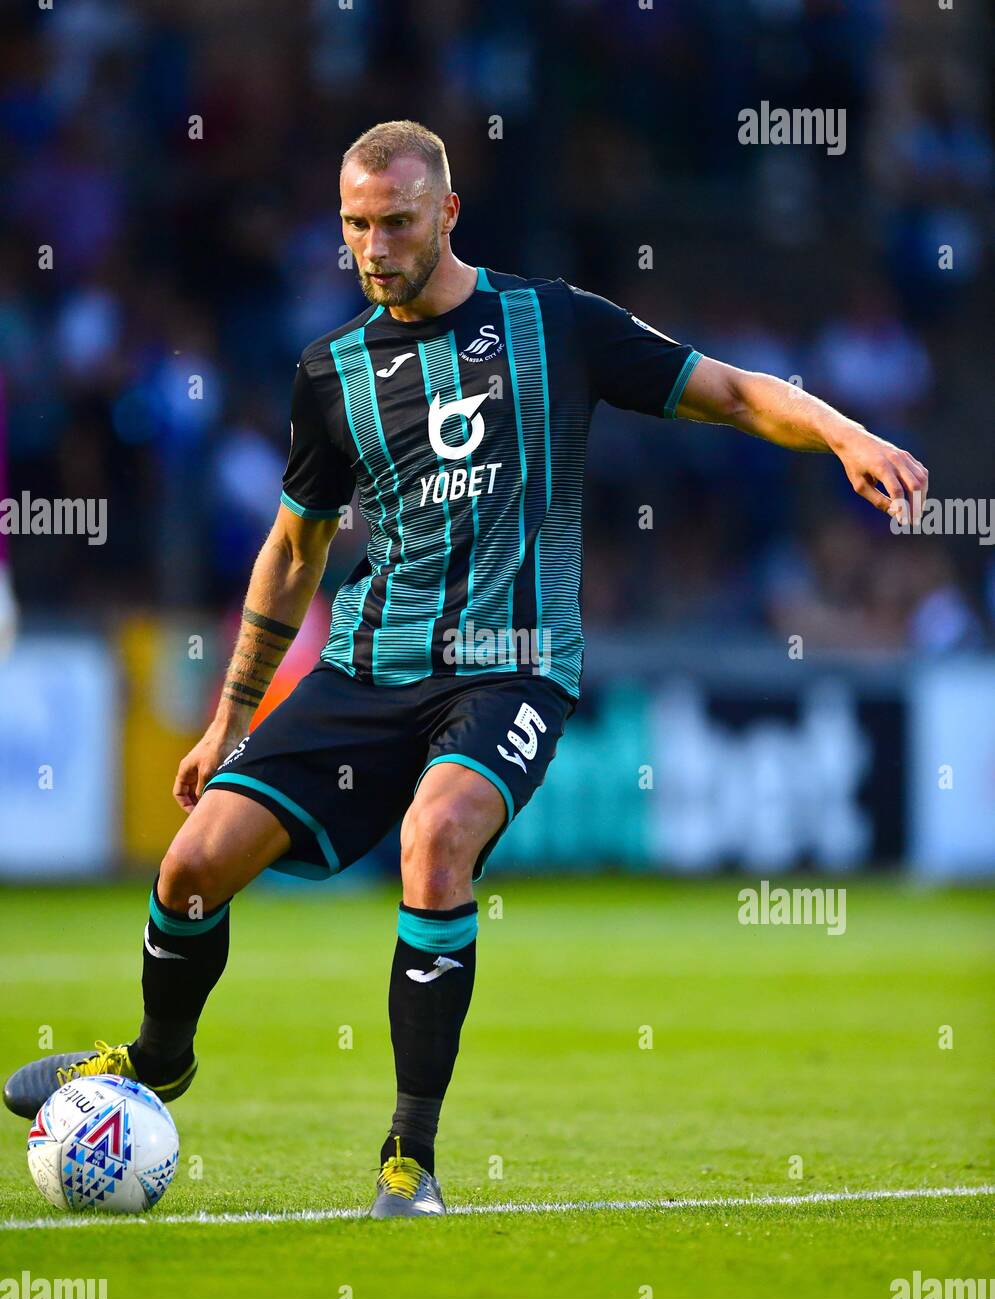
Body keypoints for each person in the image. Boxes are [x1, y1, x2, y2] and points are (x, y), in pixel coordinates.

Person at [4, 120, 928, 1218]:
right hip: (367, 666)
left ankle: (409, 1157)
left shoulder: (555, 325)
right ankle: (159, 1058)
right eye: (354, 225)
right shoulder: (330, 372)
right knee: (192, 866)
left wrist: (840, 434)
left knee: (434, 840)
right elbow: (294, 550)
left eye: (395, 222)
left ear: (446, 214)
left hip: (512, 668)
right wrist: (227, 723)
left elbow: (726, 390)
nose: (373, 246)